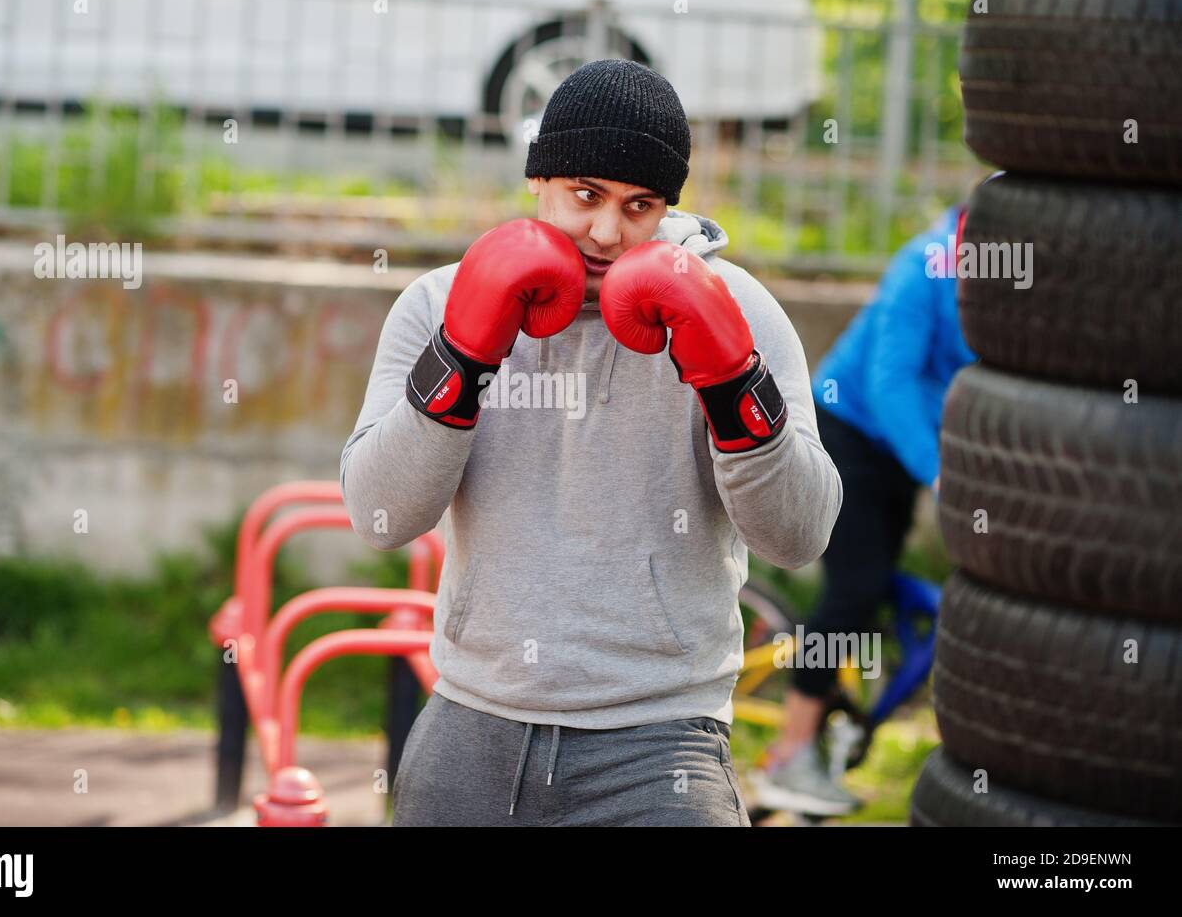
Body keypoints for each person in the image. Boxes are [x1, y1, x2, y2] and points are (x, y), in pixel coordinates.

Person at [340, 59, 841, 826]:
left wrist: (733, 385)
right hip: (474, 720)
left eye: (638, 205)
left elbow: (799, 536)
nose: (607, 231)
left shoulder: (737, 309)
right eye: (585, 197)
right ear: (537, 181)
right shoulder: (439, 302)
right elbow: (379, 516)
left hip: (662, 741)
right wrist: (462, 359)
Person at [753, 204, 977, 817]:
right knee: (855, 588)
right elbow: (890, 383)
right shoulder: (922, 267)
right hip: (849, 431)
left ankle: (832, 732)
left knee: (877, 588)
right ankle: (791, 753)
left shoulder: (1012, 277)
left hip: (905, 446)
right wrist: (938, 472)